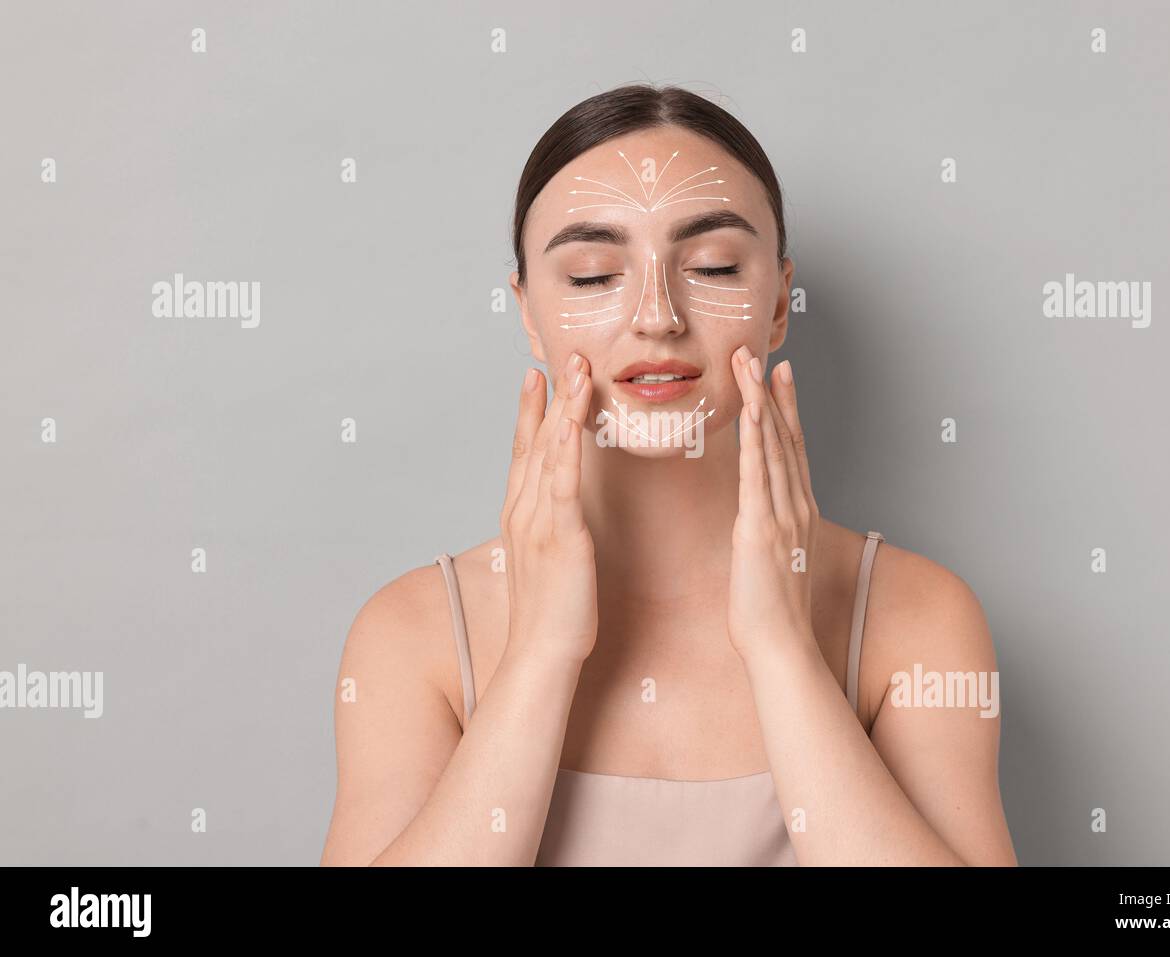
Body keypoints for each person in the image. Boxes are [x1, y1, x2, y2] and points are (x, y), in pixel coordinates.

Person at [320, 84, 1018, 866]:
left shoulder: (916, 621)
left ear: (781, 300)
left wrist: (783, 648)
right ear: (526, 310)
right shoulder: (412, 636)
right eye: (592, 275)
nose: (658, 315)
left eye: (715, 267)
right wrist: (540, 653)